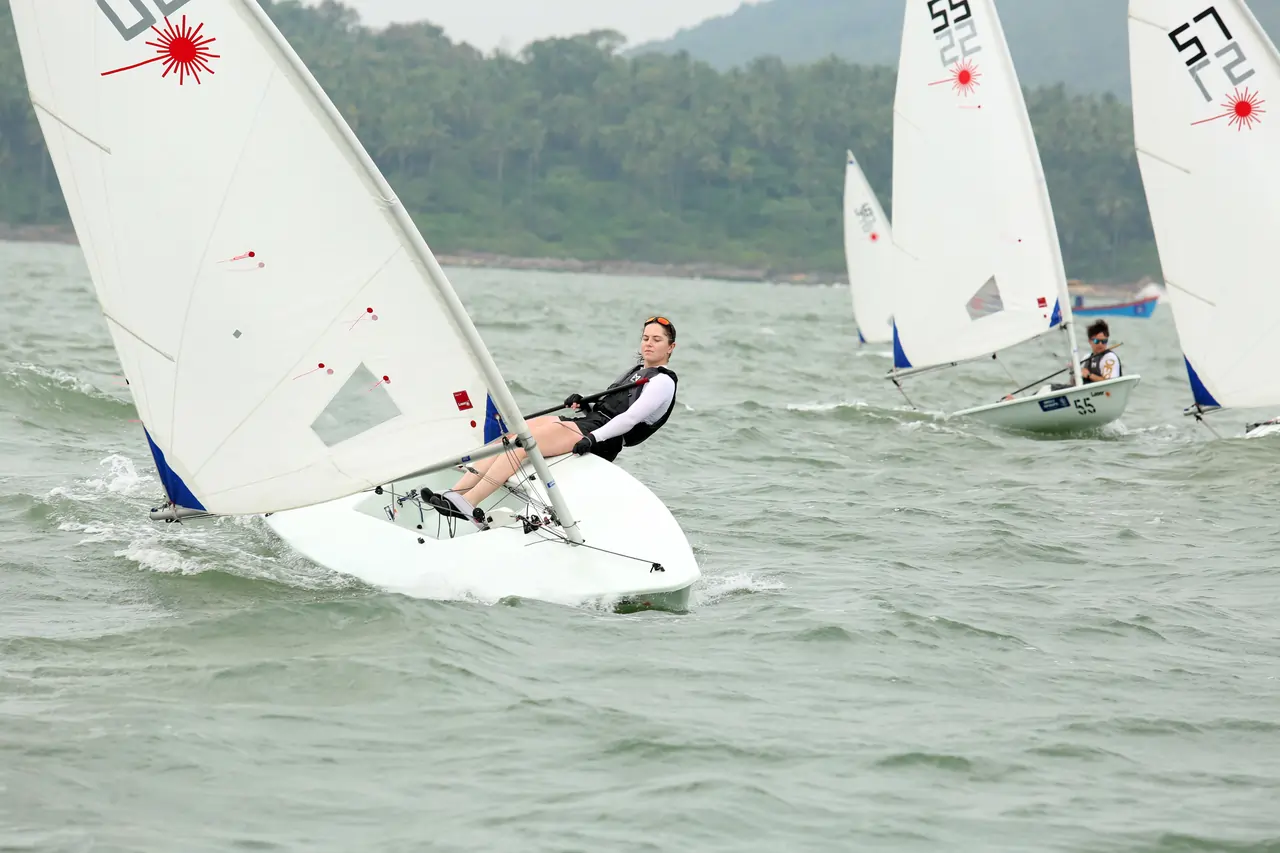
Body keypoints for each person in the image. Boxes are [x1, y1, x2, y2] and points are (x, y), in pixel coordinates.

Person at [422, 316, 680, 528]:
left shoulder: (663, 382)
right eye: (645, 338)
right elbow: (613, 405)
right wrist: (585, 403)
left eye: (657, 340)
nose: (648, 344)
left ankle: (470, 503)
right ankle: (456, 494)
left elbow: (630, 418)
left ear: (670, 347)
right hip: (590, 423)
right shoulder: (636, 372)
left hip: (603, 438)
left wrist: (592, 439)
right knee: (512, 436)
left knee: (524, 444)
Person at [1080, 319, 1121, 384]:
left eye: (1104, 341)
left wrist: (1089, 375)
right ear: (1090, 341)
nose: (1100, 344)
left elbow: (1109, 383)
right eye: (1097, 341)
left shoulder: (1110, 358)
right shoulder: (1086, 358)